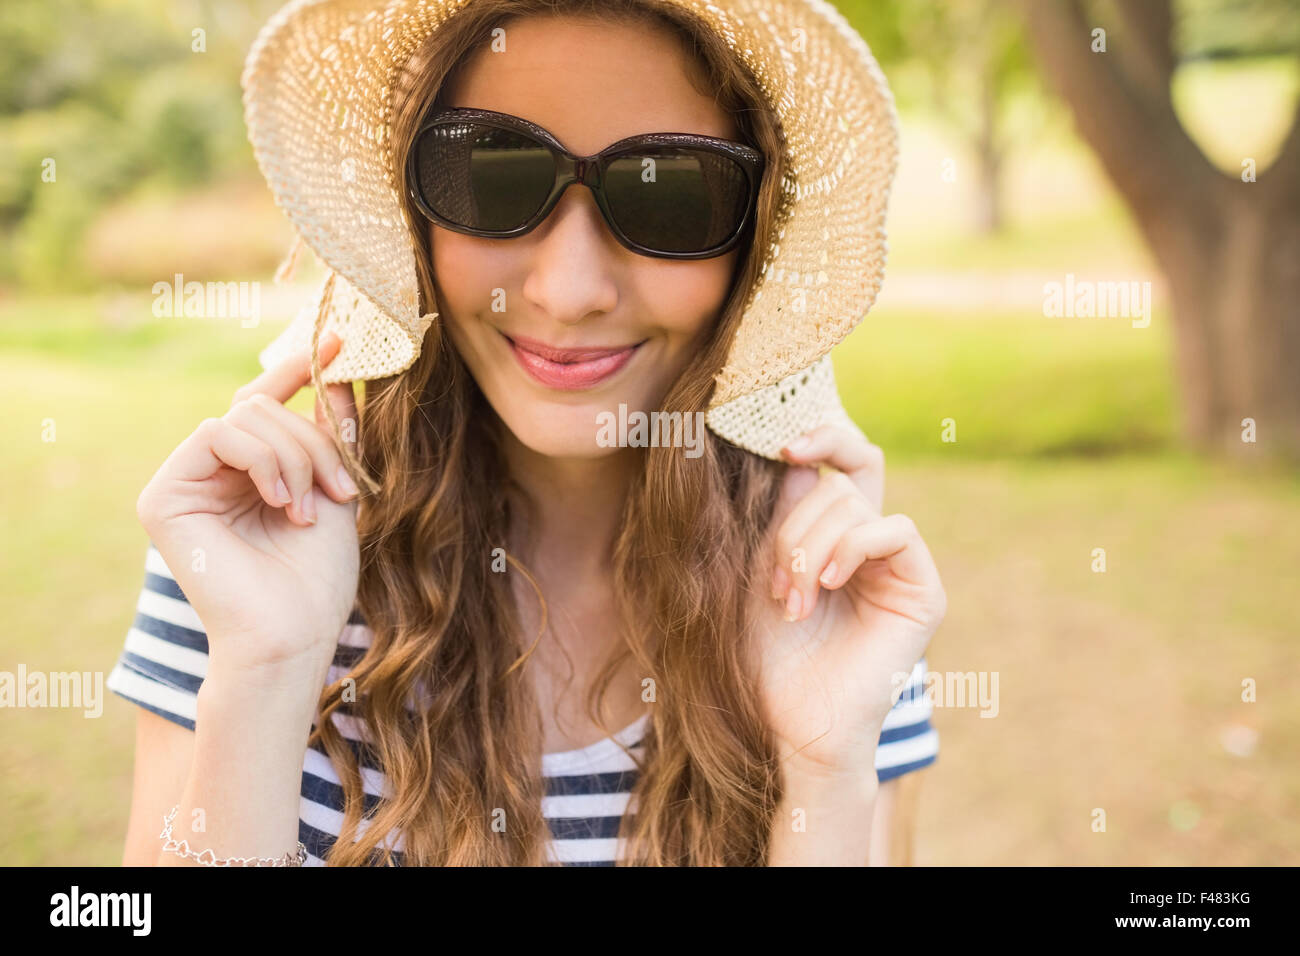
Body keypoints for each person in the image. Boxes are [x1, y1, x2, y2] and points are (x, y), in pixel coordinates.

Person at [107, 0, 944, 866]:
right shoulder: (250, 554)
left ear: (752, 248)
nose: (568, 290)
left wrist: (823, 765)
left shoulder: (838, 599)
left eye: (670, 194)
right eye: (494, 172)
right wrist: (265, 672)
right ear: (414, 211)